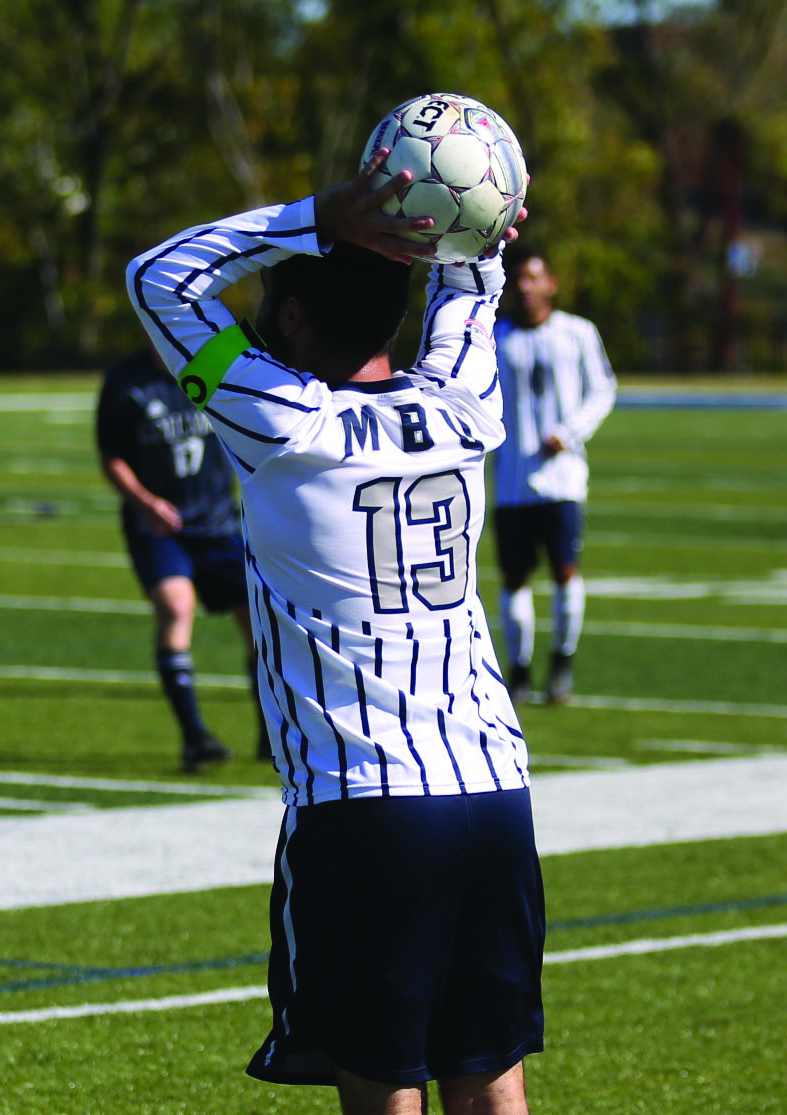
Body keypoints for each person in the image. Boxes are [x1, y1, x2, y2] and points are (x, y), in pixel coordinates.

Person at [128, 157, 541, 1114]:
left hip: (368, 805)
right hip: (494, 789)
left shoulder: (280, 422)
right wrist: (470, 231)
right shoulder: (464, 404)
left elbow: (159, 278)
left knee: (381, 1086)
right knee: (492, 1080)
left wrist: (322, 215)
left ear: (297, 319)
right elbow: (472, 292)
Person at [95, 344, 265, 772]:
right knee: (176, 607)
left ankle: (271, 733)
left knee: (259, 626)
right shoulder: (124, 380)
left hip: (219, 521)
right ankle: (195, 736)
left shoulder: (209, 363)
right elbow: (111, 457)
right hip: (158, 526)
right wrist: (145, 502)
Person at [489, 248, 615, 705]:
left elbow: (602, 389)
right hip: (511, 483)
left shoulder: (578, 333)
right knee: (515, 578)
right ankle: (518, 672)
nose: (525, 287)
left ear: (551, 284)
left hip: (563, 481)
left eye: (533, 278)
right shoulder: (494, 336)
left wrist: (571, 431)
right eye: (519, 279)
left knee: (565, 571)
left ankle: (562, 661)